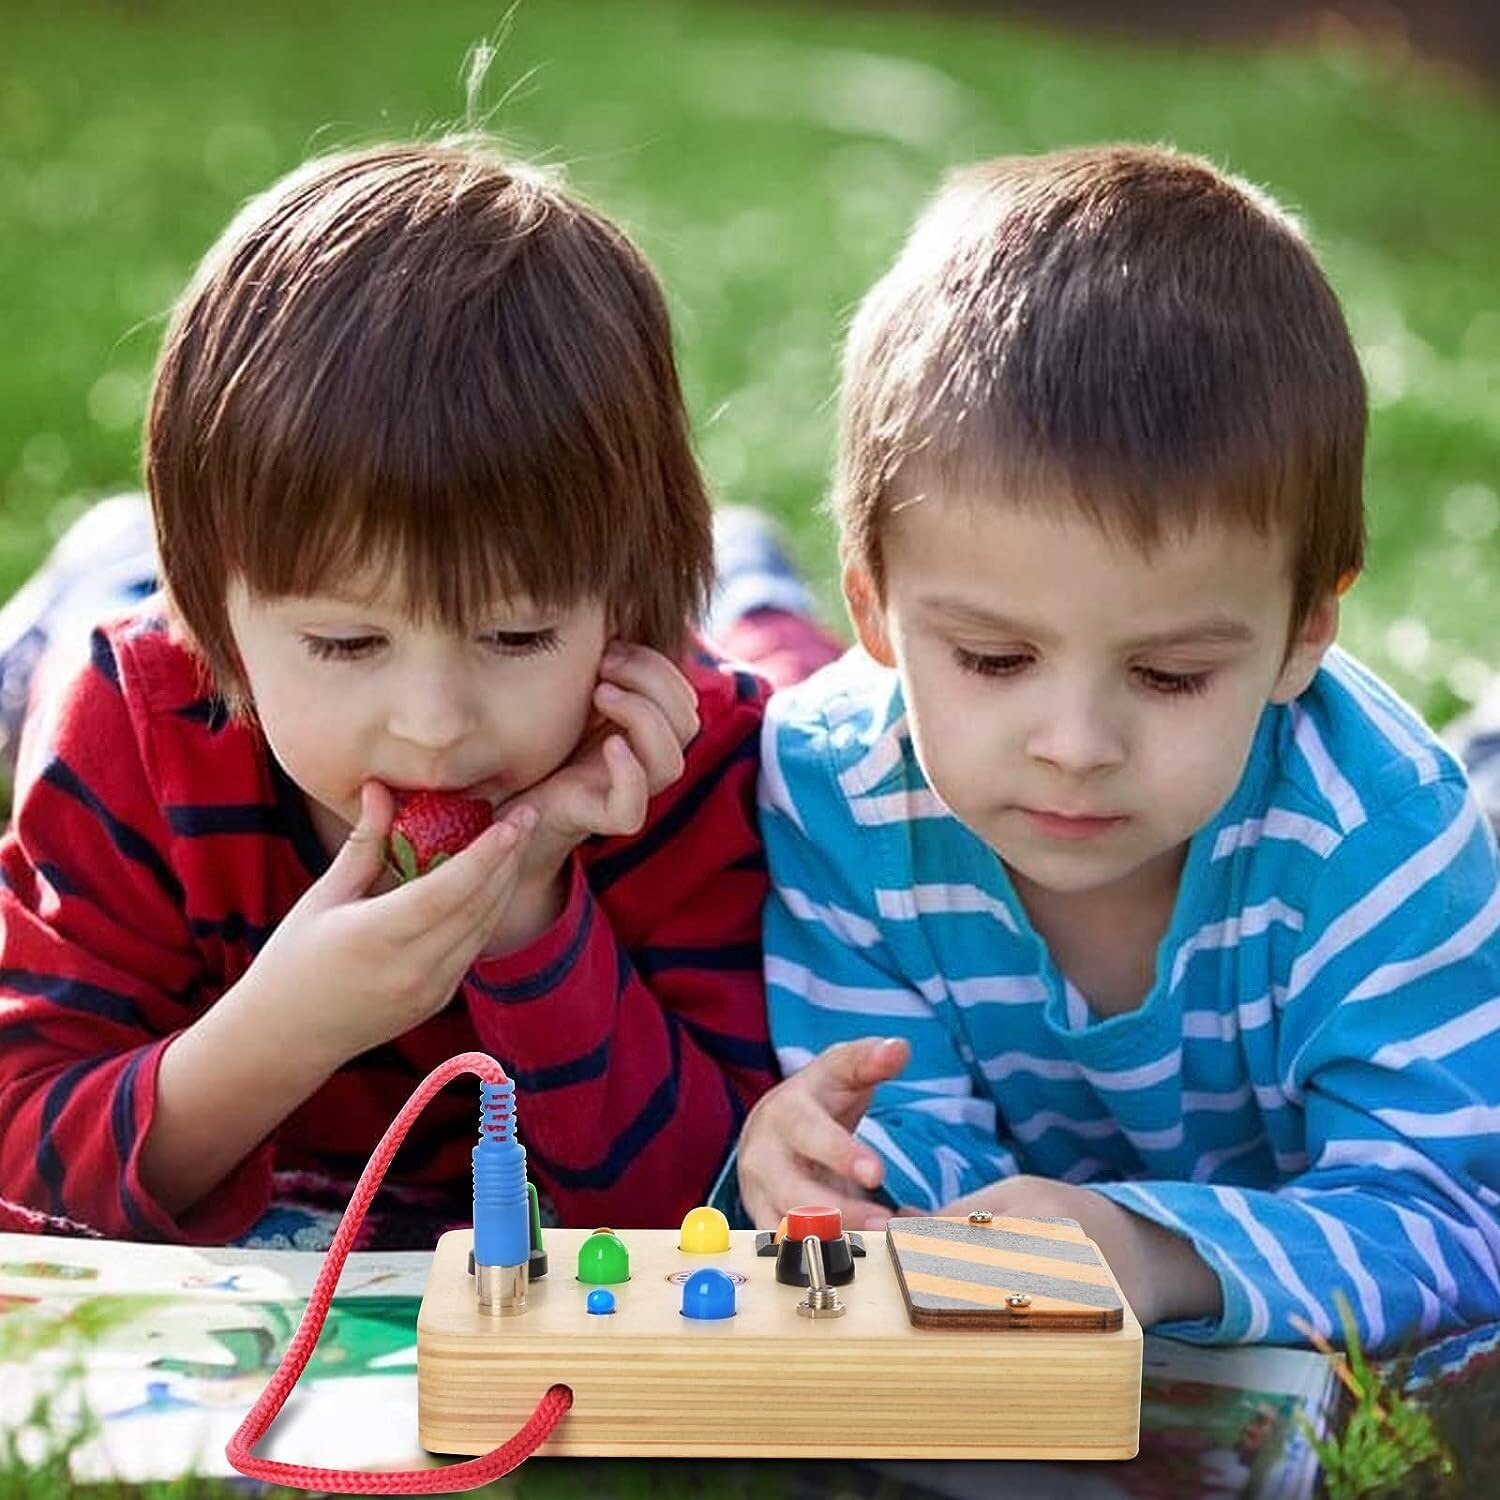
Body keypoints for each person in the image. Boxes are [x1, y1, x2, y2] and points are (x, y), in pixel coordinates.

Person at [0, 139, 838, 1249]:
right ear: (219, 620)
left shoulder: (678, 763)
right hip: (131, 609)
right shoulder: (137, 723)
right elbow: (25, 1160)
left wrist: (530, 913)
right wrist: (282, 1029)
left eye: (518, 632)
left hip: (722, 653)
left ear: (625, 614)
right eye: (347, 642)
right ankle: (113, 554)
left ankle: (748, 580)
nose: (435, 726)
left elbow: (700, 1208)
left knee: (799, 684)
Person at [737, 145, 1500, 1352]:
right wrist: (844, 1168)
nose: (1076, 745)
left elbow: (1454, 1221)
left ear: (1305, 632)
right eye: (992, 659)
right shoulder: (837, 789)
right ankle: (745, 576)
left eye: (1170, 674)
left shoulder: (1383, 844)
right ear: (876, 610)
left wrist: (1145, 1250)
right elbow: (916, 1131)